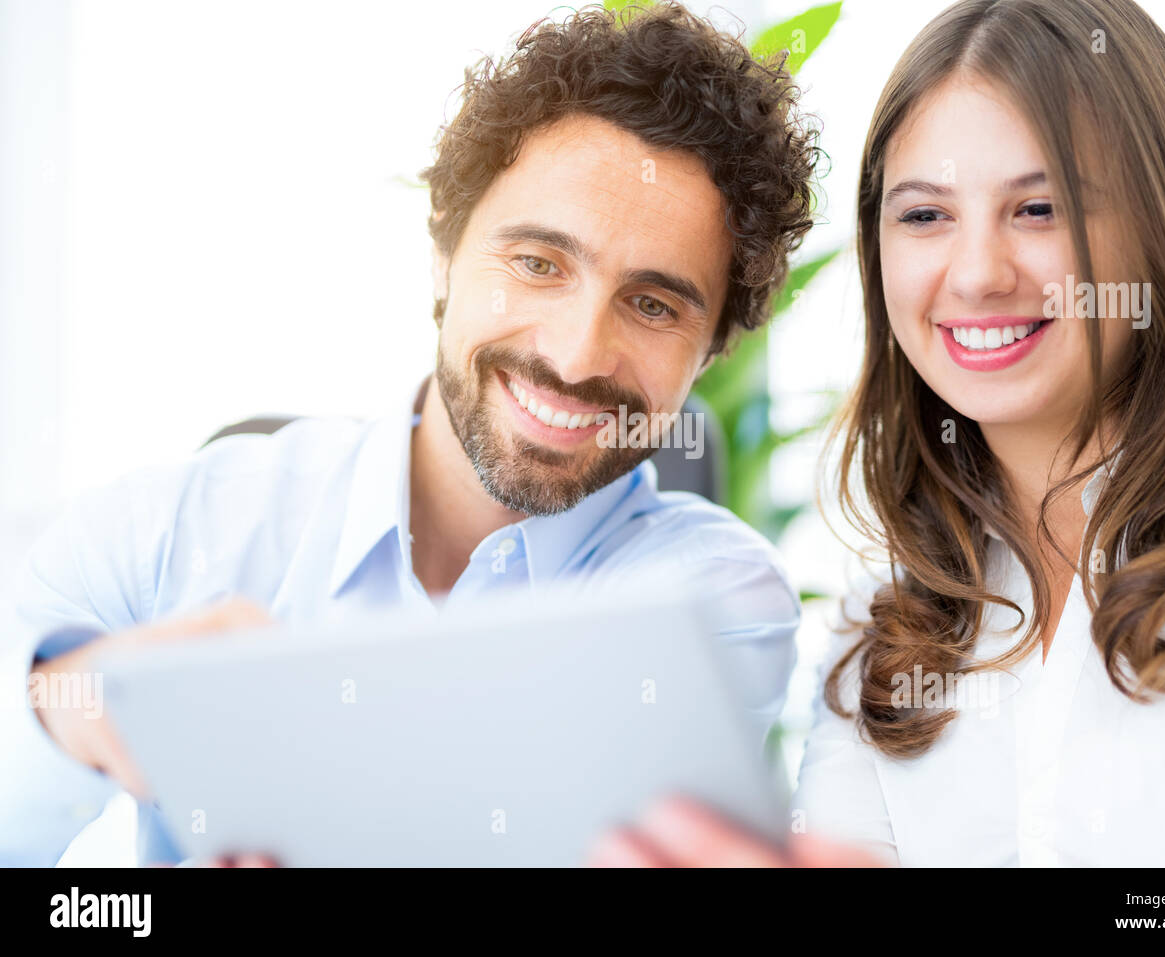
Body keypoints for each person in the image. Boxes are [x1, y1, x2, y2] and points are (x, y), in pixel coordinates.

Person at [0, 2, 820, 866]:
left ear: (713, 351)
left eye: (653, 305)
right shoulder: (172, 530)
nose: (578, 357)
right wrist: (65, 710)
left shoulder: (712, 608)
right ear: (444, 248)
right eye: (538, 264)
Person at [592, 0, 1165, 867]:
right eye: (925, 216)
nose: (976, 274)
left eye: (1039, 209)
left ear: (1161, 226)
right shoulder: (885, 630)